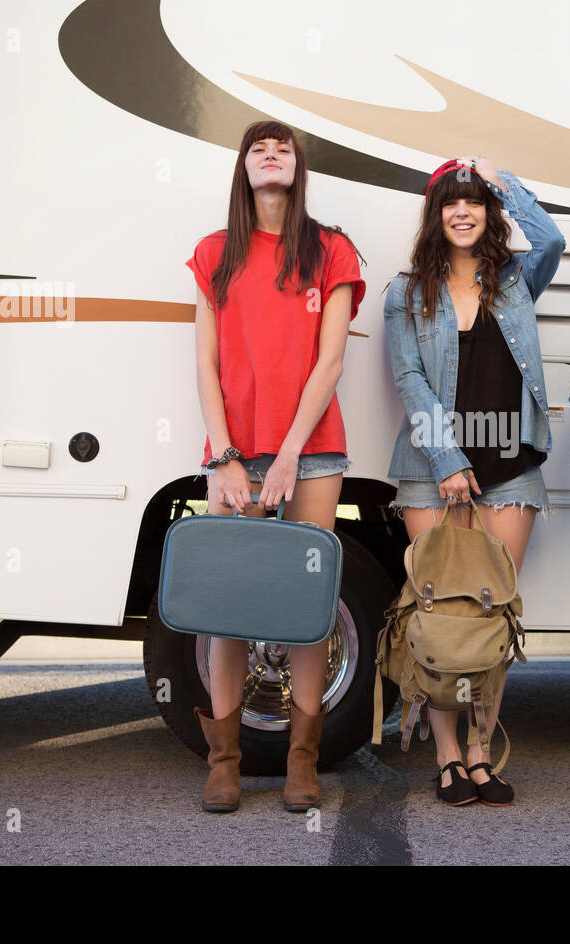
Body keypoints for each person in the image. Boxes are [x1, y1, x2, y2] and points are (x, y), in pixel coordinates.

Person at [187, 120, 365, 813]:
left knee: (305, 607)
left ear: (298, 167)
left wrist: (290, 450)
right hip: (233, 453)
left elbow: (332, 359)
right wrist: (228, 457)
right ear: (243, 167)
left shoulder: (331, 250)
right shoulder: (213, 255)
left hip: (312, 449)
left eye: (283, 147)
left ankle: (302, 760)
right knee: (229, 606)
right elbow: (204, 364)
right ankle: (224, 761)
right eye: (258, 147)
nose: (271, 154)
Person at [383, 155, 565, 806]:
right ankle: (449, 755)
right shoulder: (405, 292)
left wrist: (505, 179)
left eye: (475, 201)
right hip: (433, 469)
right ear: (435, 215)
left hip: (510, 465)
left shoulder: (515, 279)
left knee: (489, 615)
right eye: (450, 201)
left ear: (487, 214)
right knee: (437, 616)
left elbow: (553, 238)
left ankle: (484, 749)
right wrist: (447, 460)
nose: (462, 211)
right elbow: (409, 379)